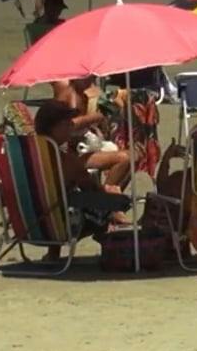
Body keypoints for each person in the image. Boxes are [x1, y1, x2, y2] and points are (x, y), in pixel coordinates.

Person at [32, 101, 131, 260]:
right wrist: (113, 197)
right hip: (59, 228)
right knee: (108, 206)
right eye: (68, 123)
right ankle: (108, 250)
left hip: (28, 225)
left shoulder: (25, 156)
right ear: (55, 127)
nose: (72, 126)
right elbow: (92, 191)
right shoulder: (66, 161)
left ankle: (53, 253)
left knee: (55, 202)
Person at [54, 77, 133, 189]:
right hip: (69, 154)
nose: (93, 78)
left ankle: (105, 195)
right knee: (124, 158)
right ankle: (102, 199)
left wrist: (113, 105)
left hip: (85, 143)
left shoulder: (90, 90)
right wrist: (100, 115)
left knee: (133, 157)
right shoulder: (66, 94)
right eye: (89, 76)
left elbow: (111, 107)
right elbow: (68, 127)